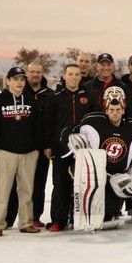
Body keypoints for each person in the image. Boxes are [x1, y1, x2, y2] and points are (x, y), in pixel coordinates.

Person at [66, 86, 132, 227]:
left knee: (108, 214)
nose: (115, 113)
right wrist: (71, 139)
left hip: (115, 177)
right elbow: (69, 132)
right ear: (106, 110)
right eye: (111, 110)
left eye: (118, 110)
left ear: (123, 110)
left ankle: (112, 210)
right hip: (93, 174)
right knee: (85, 184)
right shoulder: (92, 122)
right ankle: (75, 213)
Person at [0, 66, 42, 235]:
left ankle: (26, 222)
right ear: (8, 81)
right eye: (15, 79)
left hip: (29, 153)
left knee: (26, 190)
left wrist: (36, 148)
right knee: (3, 190)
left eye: (22, 79)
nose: (19, 82)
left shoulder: (31, 101)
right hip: (6, 153)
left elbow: (38, 126)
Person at [43, 63, 89, 231]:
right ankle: (58, 220)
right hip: (61, 148)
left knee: (83, 184)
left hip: (83, 150)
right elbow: (48, 123)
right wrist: (47, 145)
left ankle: (81, 218)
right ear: (64, 76)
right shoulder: (55, 97)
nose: (74, 77)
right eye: (70, 74)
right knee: (60, 184)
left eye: (77, 74)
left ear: (80, 77)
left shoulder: (88, 96)